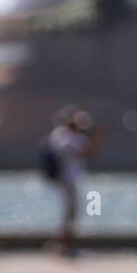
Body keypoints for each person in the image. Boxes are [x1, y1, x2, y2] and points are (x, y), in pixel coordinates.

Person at [45, 108, 104, 257]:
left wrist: (96, 140)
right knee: (70, 212)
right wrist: (94, 140)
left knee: (71, 213)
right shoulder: (62, 136)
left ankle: (63, 243)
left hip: (71, 179)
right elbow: (79, 152)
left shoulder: (75, 137)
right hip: (66, 179)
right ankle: (61, 244)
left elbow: (89, 153)